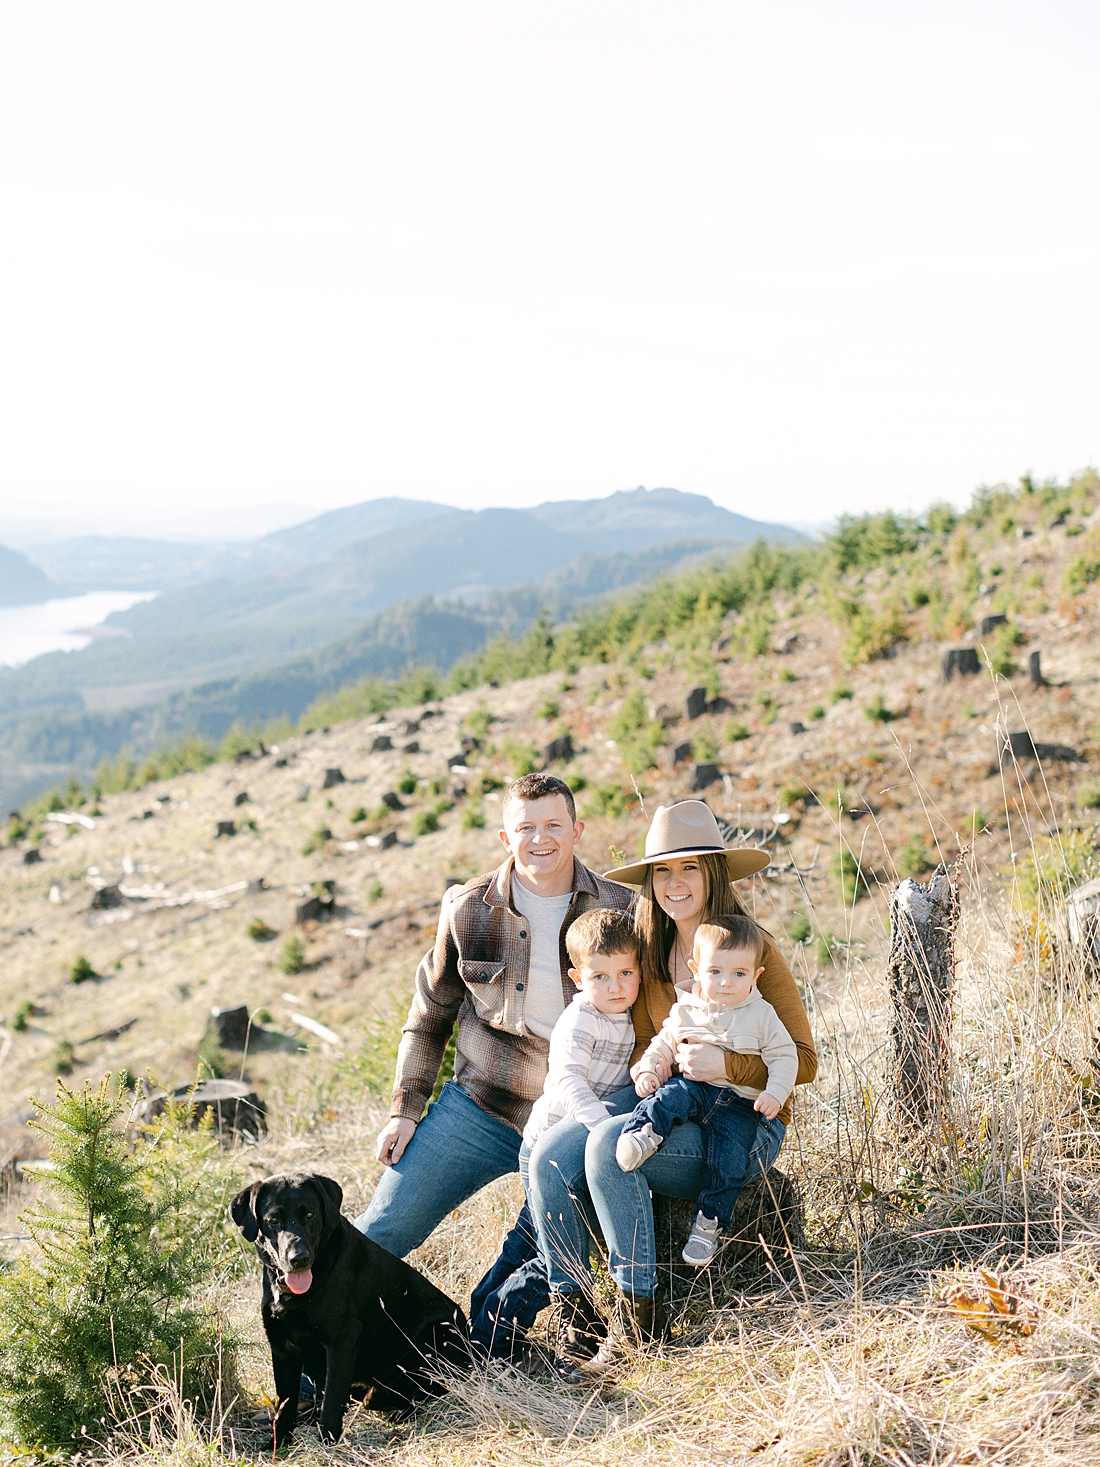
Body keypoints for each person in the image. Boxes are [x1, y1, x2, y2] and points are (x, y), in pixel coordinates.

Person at [523, 799, 817, 1367]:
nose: (674, 883)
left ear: (714, 873)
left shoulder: (750, 949)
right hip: (671, 1102)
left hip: (744, 1122)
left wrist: (726, 1066)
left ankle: (641, 1322)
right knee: (550, 1157)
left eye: (689, 868)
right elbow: (644, 1040)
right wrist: (649, 1068)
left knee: (607, 1148)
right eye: (662, 871)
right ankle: (578, 1318)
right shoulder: (650, 949)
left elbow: (802, 1061)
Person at [353, 770, 634, 1357]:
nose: (540, 839)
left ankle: (477, 1349)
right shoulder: (467, 909)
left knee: (541, 1250)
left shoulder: (620, 908)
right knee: (377, 1234)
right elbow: (429, 1016)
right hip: (481, 1104)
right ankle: (312, 1381)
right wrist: (405, 1109)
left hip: (575, 1115)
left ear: (577, 830)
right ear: (506, 838)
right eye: (526, 828)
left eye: (553, 825)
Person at [617, 913, 797, 1266]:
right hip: (695, 1087)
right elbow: (662, 1042)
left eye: (739, 974)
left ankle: (708, 1224)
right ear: (696, 970)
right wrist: (650, 1066)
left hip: (740, 1103)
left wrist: (774, 1093)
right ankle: (643, 1133)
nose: (726, 983)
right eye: (715, 971)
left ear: (755, 976)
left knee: (729, 1160)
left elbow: (786, 1056)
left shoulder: (762, 1015)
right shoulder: (687, 1008)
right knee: (667, 1097)